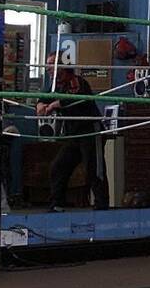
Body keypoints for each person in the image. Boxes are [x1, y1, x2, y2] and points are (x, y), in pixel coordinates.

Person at [36, 55, 108, 212]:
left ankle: (102, 204)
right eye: (47, 64)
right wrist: (41, 104)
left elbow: (74, 99)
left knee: (94, 168)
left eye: (51, 64)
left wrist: (55, 104)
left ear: (61, 66)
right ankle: (57, 203)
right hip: (73, 134)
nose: (48, 68)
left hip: (89, 131)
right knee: (59, 166)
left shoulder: (76, 81)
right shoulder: (55, 85)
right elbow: (44, 97)